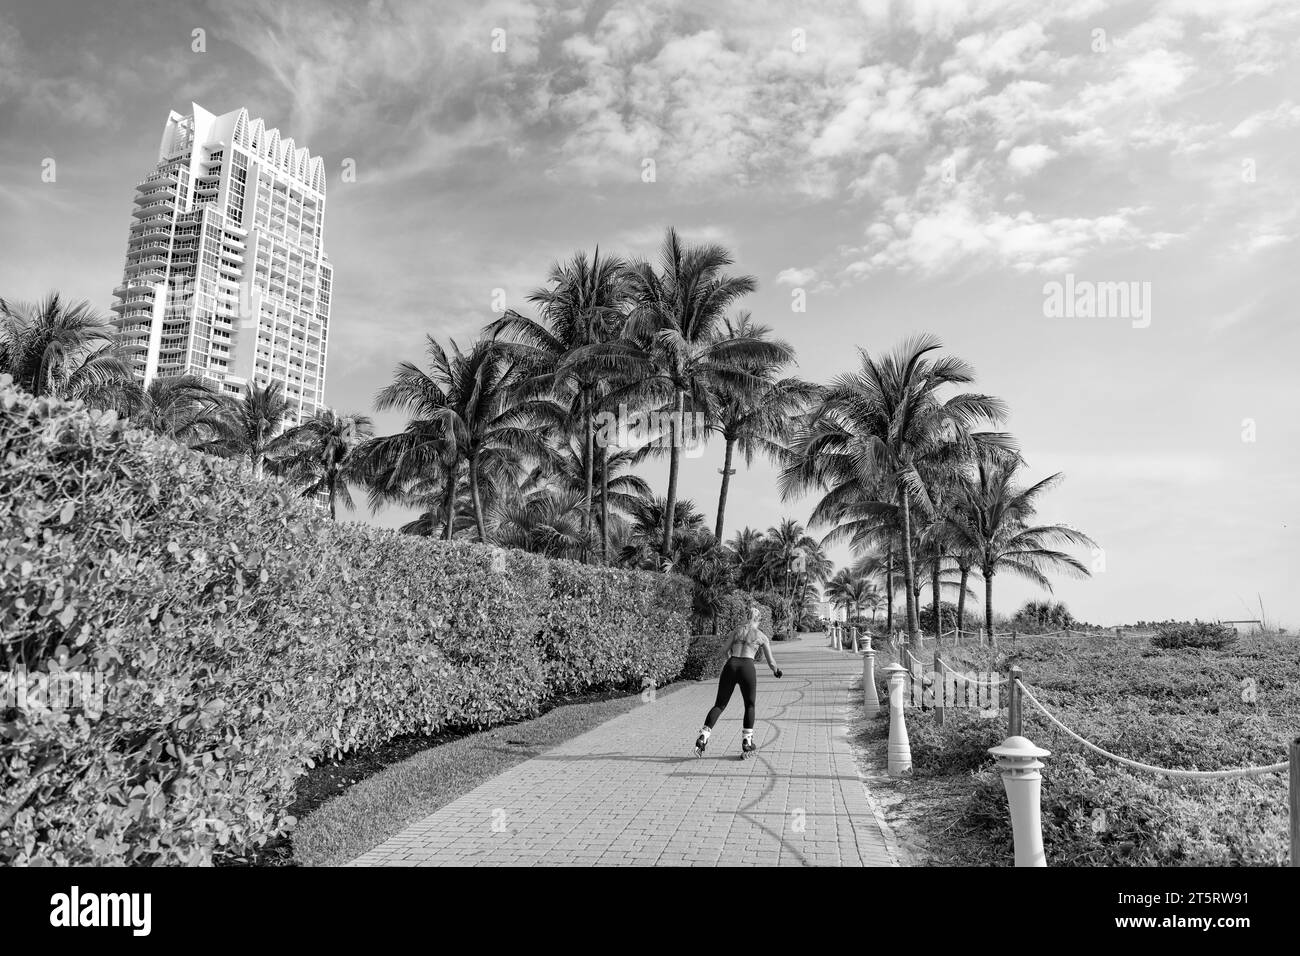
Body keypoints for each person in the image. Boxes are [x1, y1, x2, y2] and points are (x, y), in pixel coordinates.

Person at [694, 604, 782, 758]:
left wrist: (732, 663)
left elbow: (723, 651)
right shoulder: (761, 636)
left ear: (746, 617)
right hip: (747, 667)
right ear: (758, 620)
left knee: (720, 705)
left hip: (731, 665)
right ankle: (747, 741)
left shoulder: (736, 631)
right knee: (749, 705)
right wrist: (776, 671)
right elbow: (771, 662)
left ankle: (703, 736)